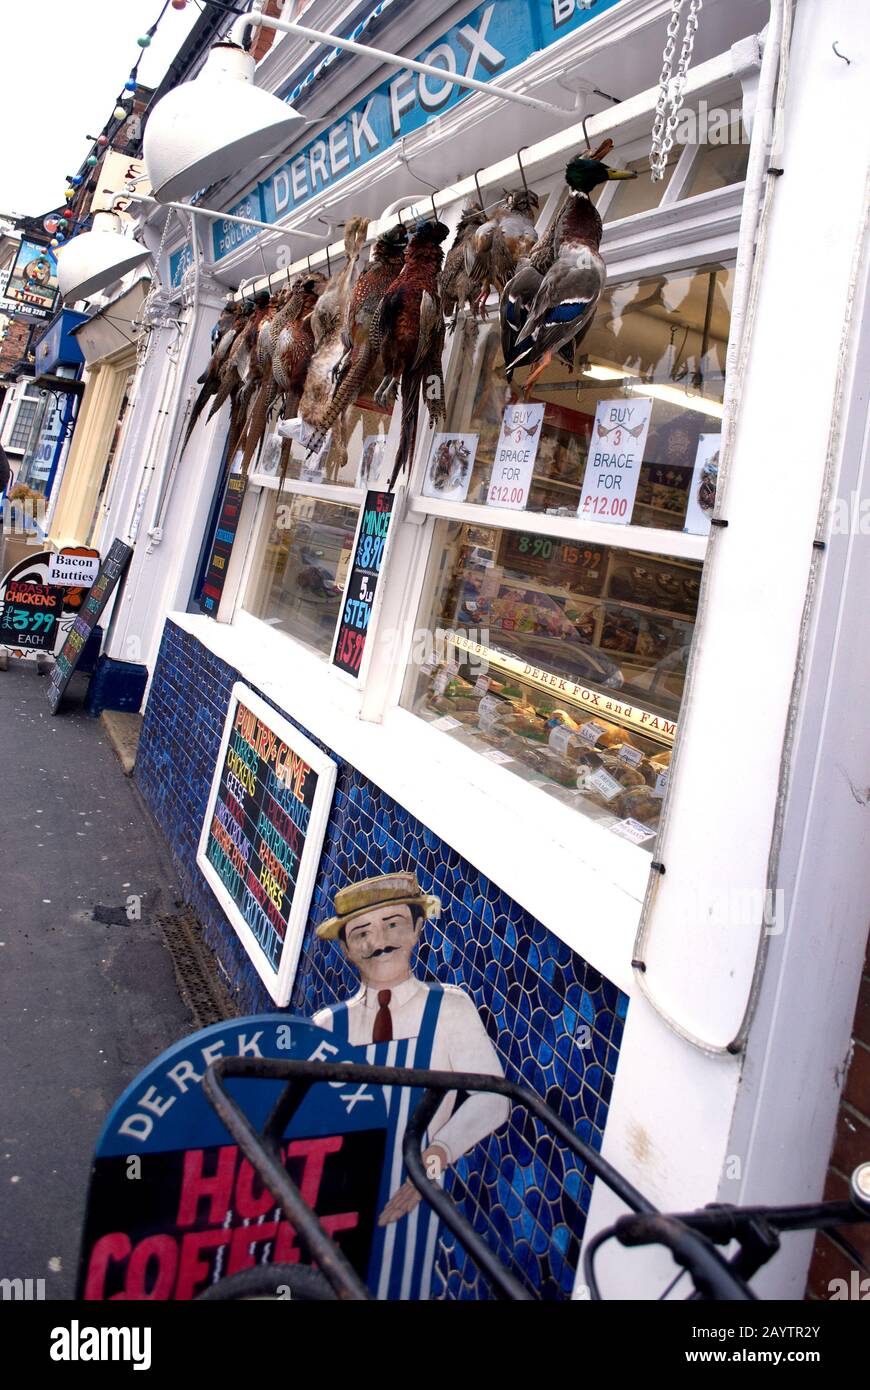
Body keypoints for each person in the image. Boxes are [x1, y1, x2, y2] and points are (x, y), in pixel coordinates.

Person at [313, 870, 509, 1300]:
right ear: (346, 948)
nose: (378, 941)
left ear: (418, 929)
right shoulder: (328, 1026)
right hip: (336, 1199)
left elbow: (493, 1097)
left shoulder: (450, 1009)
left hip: (416, 1197)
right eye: (361, 932)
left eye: (393, 925)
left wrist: (435, 1159)